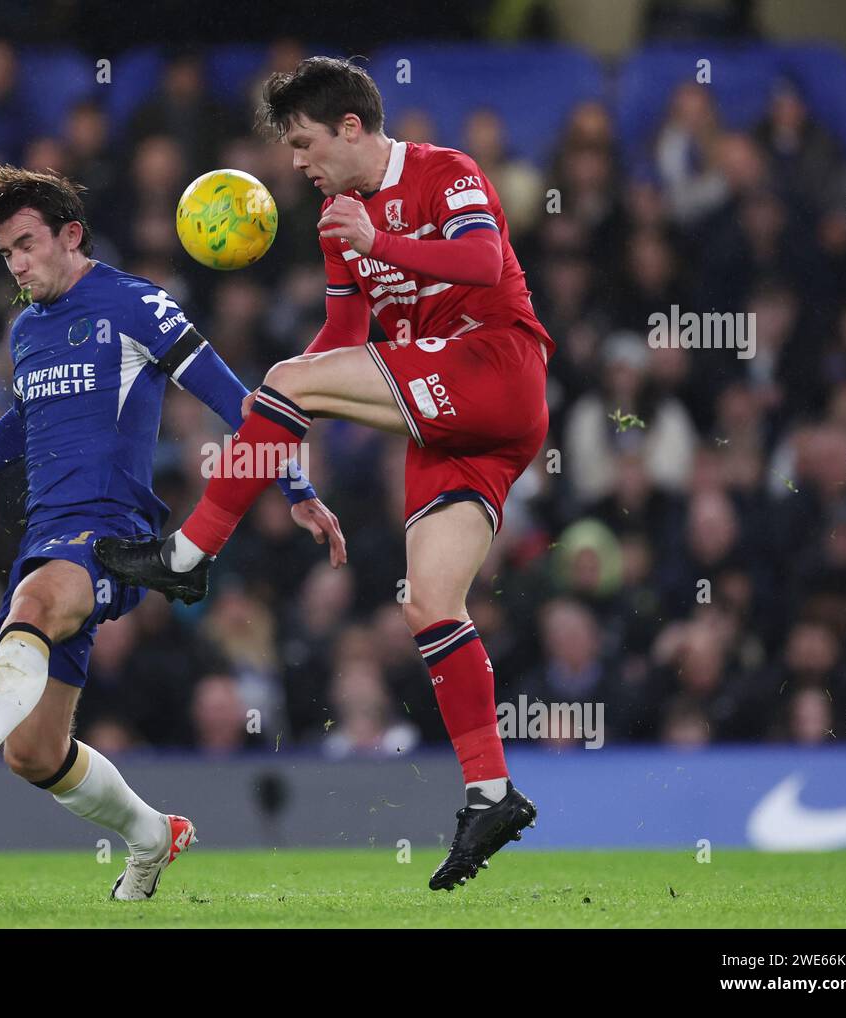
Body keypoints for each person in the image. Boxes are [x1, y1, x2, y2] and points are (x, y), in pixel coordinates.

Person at [96, 56, 550, 892]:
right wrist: (272, 427)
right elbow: (342, 337)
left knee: (290, 381)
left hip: (494, 368)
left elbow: (485, 265)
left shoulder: (447, 172)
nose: (296, 163)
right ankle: (492, 792)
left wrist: (379, 246)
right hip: (453, 428)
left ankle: (188, 557)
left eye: (304, 143)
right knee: (429, 604)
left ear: (351, 128)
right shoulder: (336, 220)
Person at [0, 166, 342, 900]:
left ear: (70, 234)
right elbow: (22, 424)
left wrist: (295, 486)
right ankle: (150, 834)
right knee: (39, 752)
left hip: (113, 534)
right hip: (48, 535)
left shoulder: (136, 303)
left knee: (37, 604)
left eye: (26, 245)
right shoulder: (26, 330)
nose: (17, 265)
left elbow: (235, 399)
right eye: (6, 254)